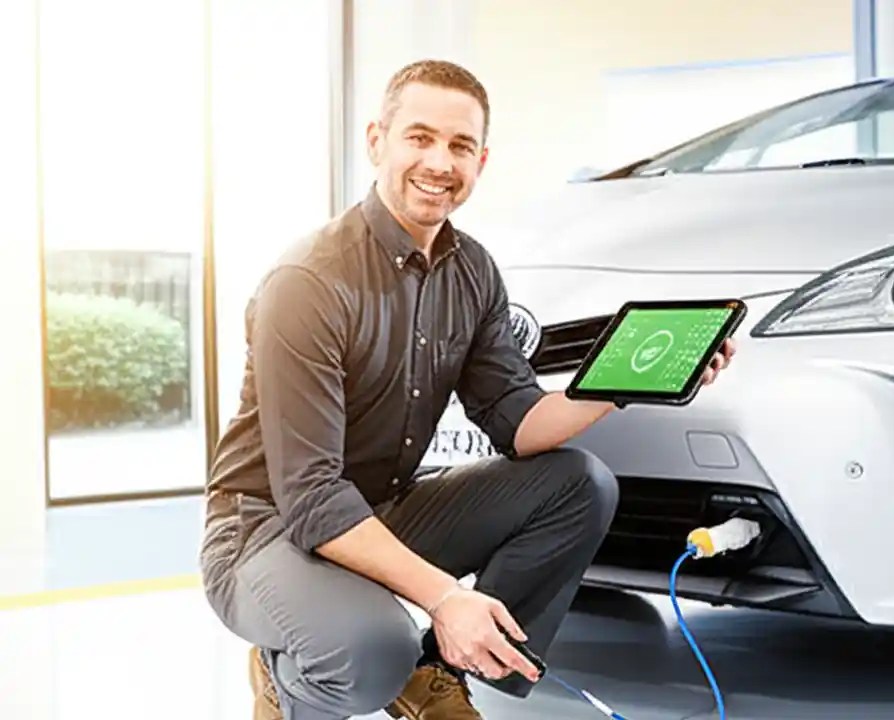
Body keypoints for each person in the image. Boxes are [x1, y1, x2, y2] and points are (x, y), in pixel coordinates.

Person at [198, 58, 736, 720]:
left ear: (481, 160)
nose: (439, 162)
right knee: (369, 650)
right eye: (419, 138)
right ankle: (293, 676)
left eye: (459, 146)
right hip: (264, 532)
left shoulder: (472, 270)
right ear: (377, 141)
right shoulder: (309, 281)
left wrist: (630, 384)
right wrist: (445, 597)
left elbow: (518, 421)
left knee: (579, 484)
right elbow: (310, 498)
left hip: (378, 509)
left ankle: (435, 674)